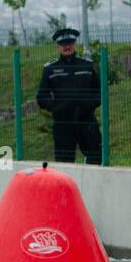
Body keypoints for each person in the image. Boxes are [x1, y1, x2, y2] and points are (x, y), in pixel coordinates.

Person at [36, 27, 102, 165]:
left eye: (70, 43)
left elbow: (99, 91)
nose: (67, 47)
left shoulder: (87, 66)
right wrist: (56, 108)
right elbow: (41, 97)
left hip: (86, 120)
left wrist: (90, 104)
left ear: (75, 44)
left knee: (96, 156)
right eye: (63, 44)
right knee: (64, 163)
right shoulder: (50, 69)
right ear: (58, 46)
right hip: (63, 123)